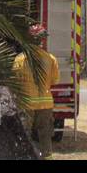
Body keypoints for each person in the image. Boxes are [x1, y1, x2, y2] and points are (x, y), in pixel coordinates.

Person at [13, 23, 60, 157]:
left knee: (24, 135)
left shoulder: (19, 59)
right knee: (45, 136)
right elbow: (54, 81)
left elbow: (15, 82)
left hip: (26, 104)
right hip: (45, 105)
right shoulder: (51, 59)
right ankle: (46, 156)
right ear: (42, 39)